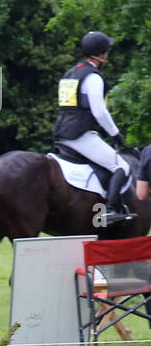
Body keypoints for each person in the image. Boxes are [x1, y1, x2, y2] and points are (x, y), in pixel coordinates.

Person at [56, 31, 136, 224]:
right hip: (81, 136)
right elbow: (99, 112)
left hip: (62, 133)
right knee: (121, 166)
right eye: (106, 50)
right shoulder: (93, 77)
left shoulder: (70, 74)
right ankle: (110, 210)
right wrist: (115, 134)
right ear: (101, 53)